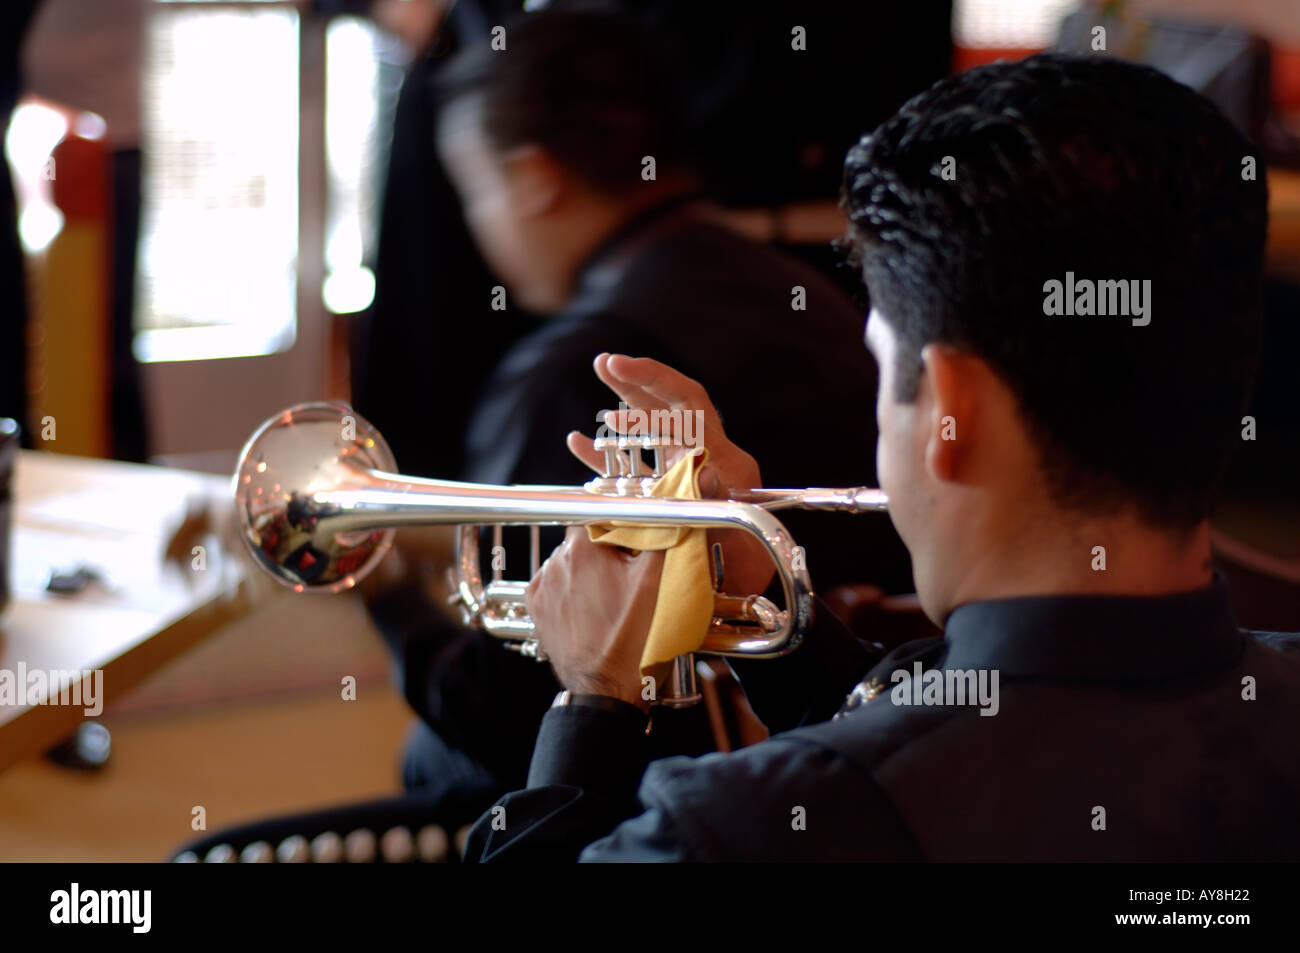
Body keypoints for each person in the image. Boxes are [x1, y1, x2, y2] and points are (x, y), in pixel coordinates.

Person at [464, 52, 1300, 862]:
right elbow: (952, 738)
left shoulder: (731, 826)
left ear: (950, 408)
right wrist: (763, 600)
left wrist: (593, 700)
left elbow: (907, 772)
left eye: (882, 375)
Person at [361, 11, 911, 818]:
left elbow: (503, 718)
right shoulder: (814, 297)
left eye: (477, 188)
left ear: (536, 178)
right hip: (849, 740)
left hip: (691, 791)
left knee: (431, 762)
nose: (482, 229)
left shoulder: (572, 367)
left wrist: (382, 589)